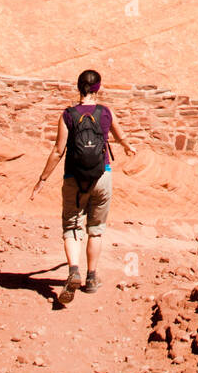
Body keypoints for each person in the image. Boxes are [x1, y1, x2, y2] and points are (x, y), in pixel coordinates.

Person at [31, 69, 136, 301]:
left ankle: (73, 271)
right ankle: (91, 277)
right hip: (102, 175)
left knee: (72, 227)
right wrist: (129, 147)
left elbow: (58, 151)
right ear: (98, 88)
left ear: (78, 87)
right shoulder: (106, 112)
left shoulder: (68, 115)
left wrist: (42, 180)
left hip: (73, 177)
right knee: (95, 230)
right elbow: (119, 136)